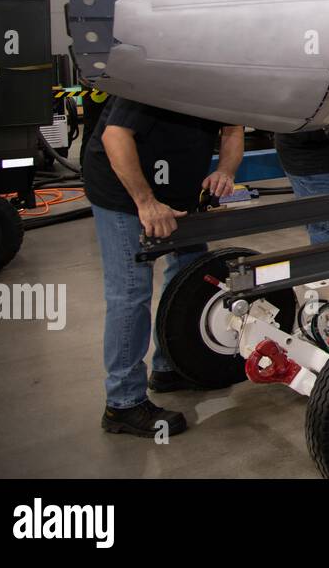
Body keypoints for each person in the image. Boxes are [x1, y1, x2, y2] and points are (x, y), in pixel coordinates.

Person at [82, 96, 244, 437]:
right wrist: (146, 202)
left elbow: (233, 128)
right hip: (125, 192)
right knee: (130, 291)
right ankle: (122, 404)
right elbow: (115, 136)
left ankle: (169, 367)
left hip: (181, 192)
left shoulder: (222, 75)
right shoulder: (154, 71)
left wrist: (226, 170)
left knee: (190, 279)